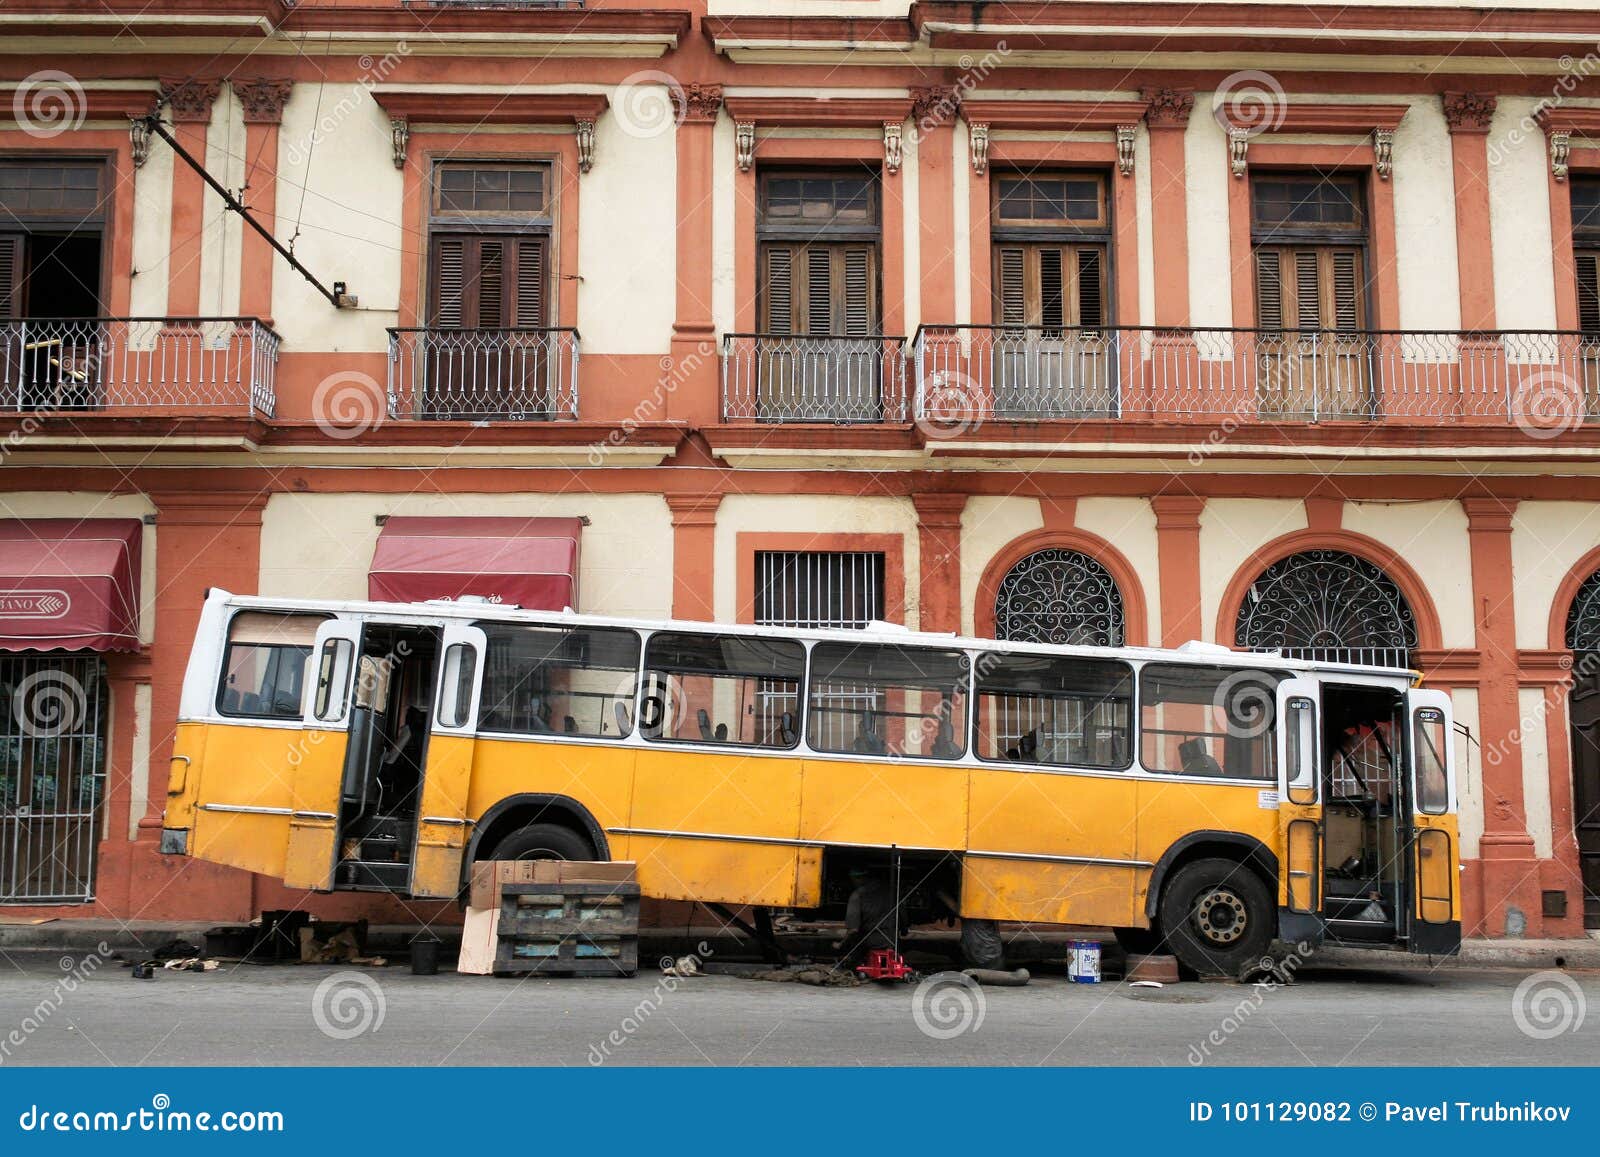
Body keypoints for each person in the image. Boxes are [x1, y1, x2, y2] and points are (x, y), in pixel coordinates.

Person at [834, 867, 899, 965]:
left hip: (871, 942)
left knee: (854, 941)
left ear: (857, 879)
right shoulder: (892, 892)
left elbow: (853, 930)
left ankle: (852, 961)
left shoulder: (857, 895)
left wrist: (840, 944)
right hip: (893, 941)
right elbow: (904, 921)